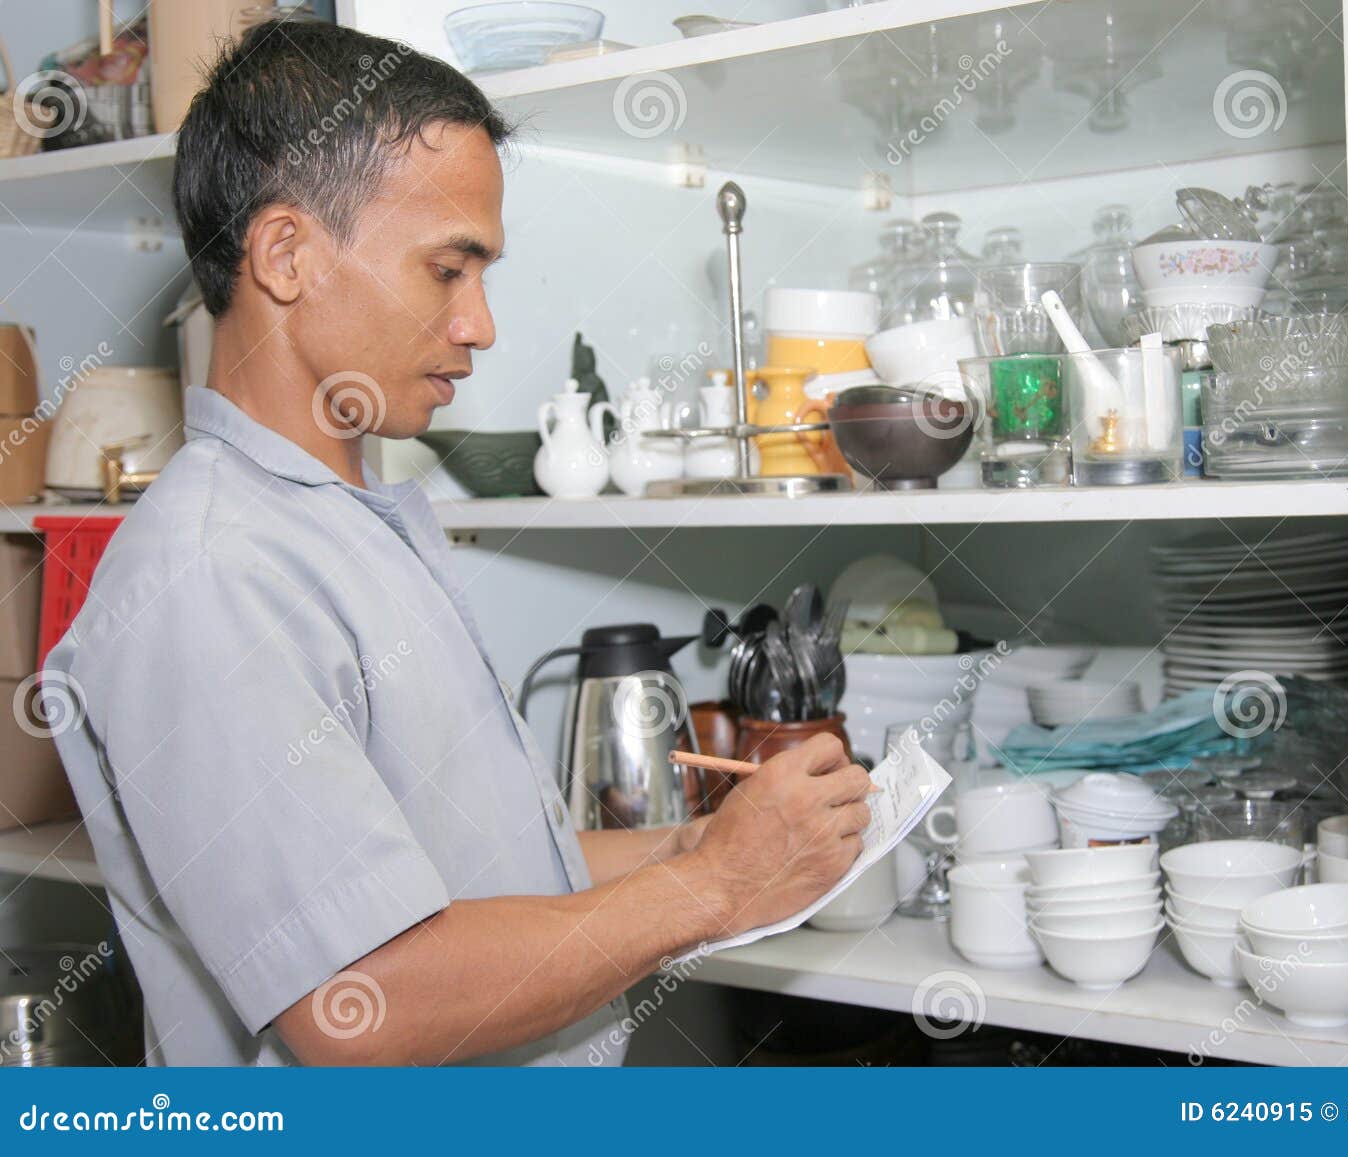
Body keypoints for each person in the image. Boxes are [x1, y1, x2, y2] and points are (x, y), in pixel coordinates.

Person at [45, 20, 871, 1067]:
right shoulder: (210, 578)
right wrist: (710, 889)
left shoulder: (349, 518)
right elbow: (362, 1000)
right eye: (447, 268)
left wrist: (688, 843)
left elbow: (458, 871)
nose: (480, 324)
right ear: (288, 254)